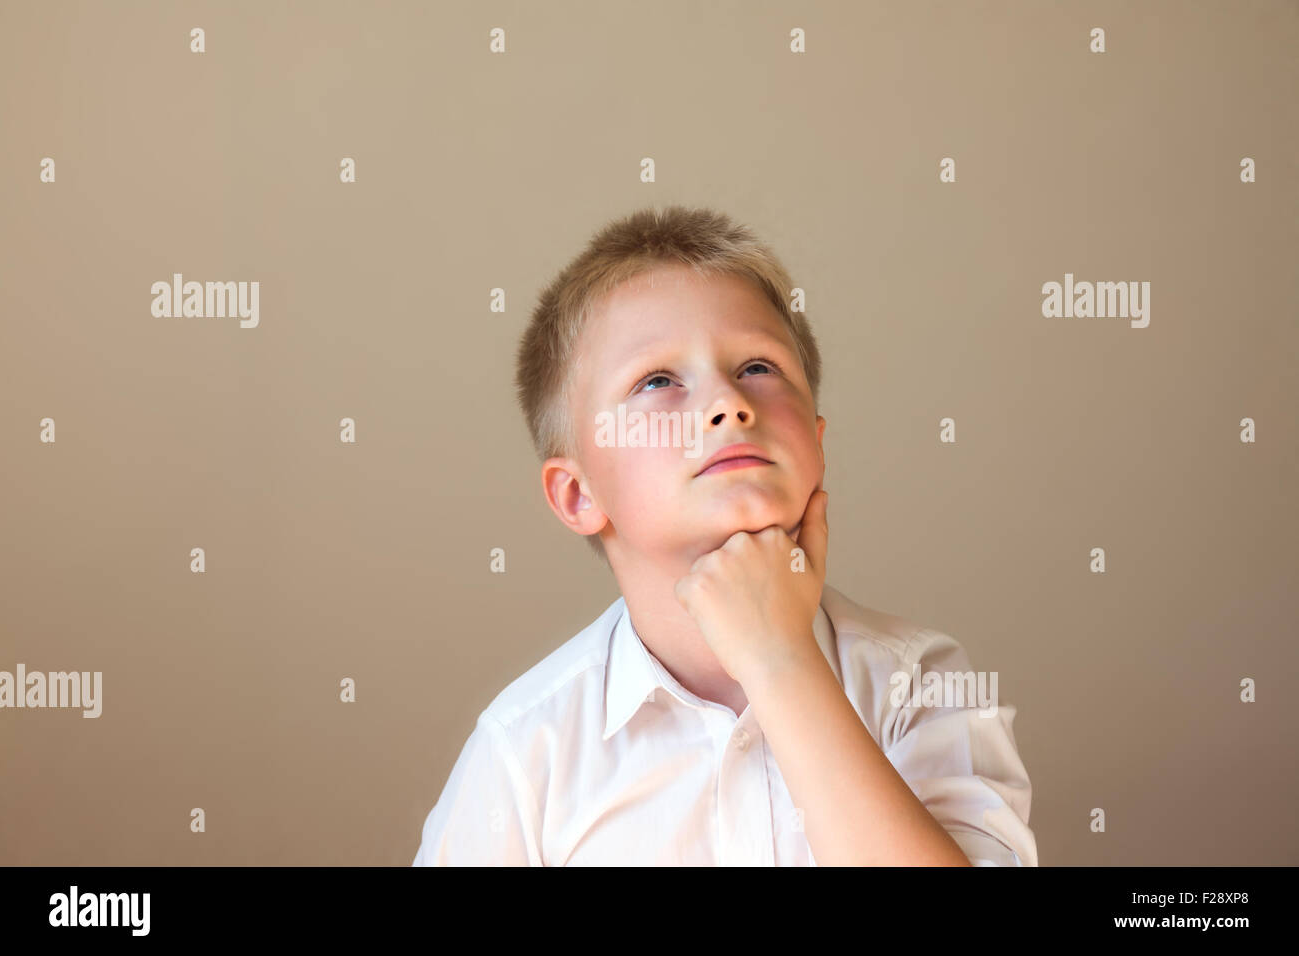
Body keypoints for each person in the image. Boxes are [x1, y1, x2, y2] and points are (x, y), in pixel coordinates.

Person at [412, 205, 1037, 866]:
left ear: (816, 445)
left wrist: (781, 662)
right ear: (578, 493)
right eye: (657, 381)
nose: (729, 403)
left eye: (758, 369)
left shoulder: (920, 686)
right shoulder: (523, 754)